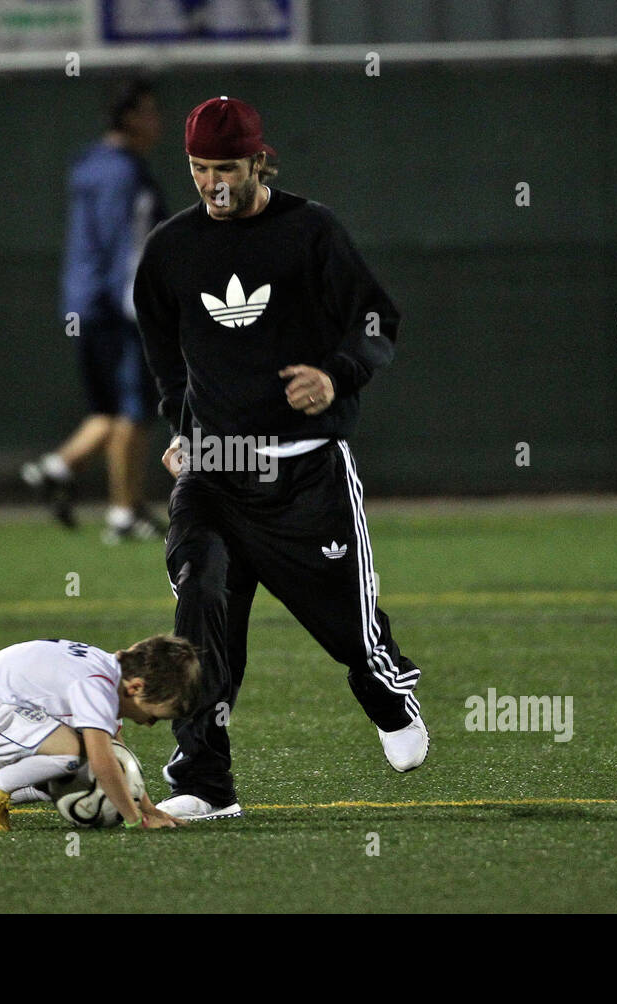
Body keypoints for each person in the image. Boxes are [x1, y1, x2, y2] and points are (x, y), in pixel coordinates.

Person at [132, 95, 427, 822]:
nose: (214, 184)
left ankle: (387, 700)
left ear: (260, 161)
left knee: (351, 634)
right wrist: (182, 425)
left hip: (305, 473)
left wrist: (335, 374)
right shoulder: (171, 248)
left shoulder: (311, 231)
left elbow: (375, 318)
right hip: (214, 476)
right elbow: (164, 353)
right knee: (199, 608)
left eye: (227, 167)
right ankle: (204, 781)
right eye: (200, 169)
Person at [21, 78, 169, 544]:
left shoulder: (93, 164)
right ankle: (123, 514)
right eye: (149, 112)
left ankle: (58, 467)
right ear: (128, 118)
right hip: (115, 304)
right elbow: (124, 245)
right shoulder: (122, 174)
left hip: (86, 302)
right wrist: (138, 304)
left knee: (110, 407)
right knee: (133, 407)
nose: (157, 121)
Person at [0, 634, 200, 831]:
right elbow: (103, 762)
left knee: (77, 776)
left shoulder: (108, 673)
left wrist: (148, 809)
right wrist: (135, 820)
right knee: (72, 755)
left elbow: (118, 759)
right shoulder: (96, 685)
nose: (150, 723)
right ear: (136, 688)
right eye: (154, 715)